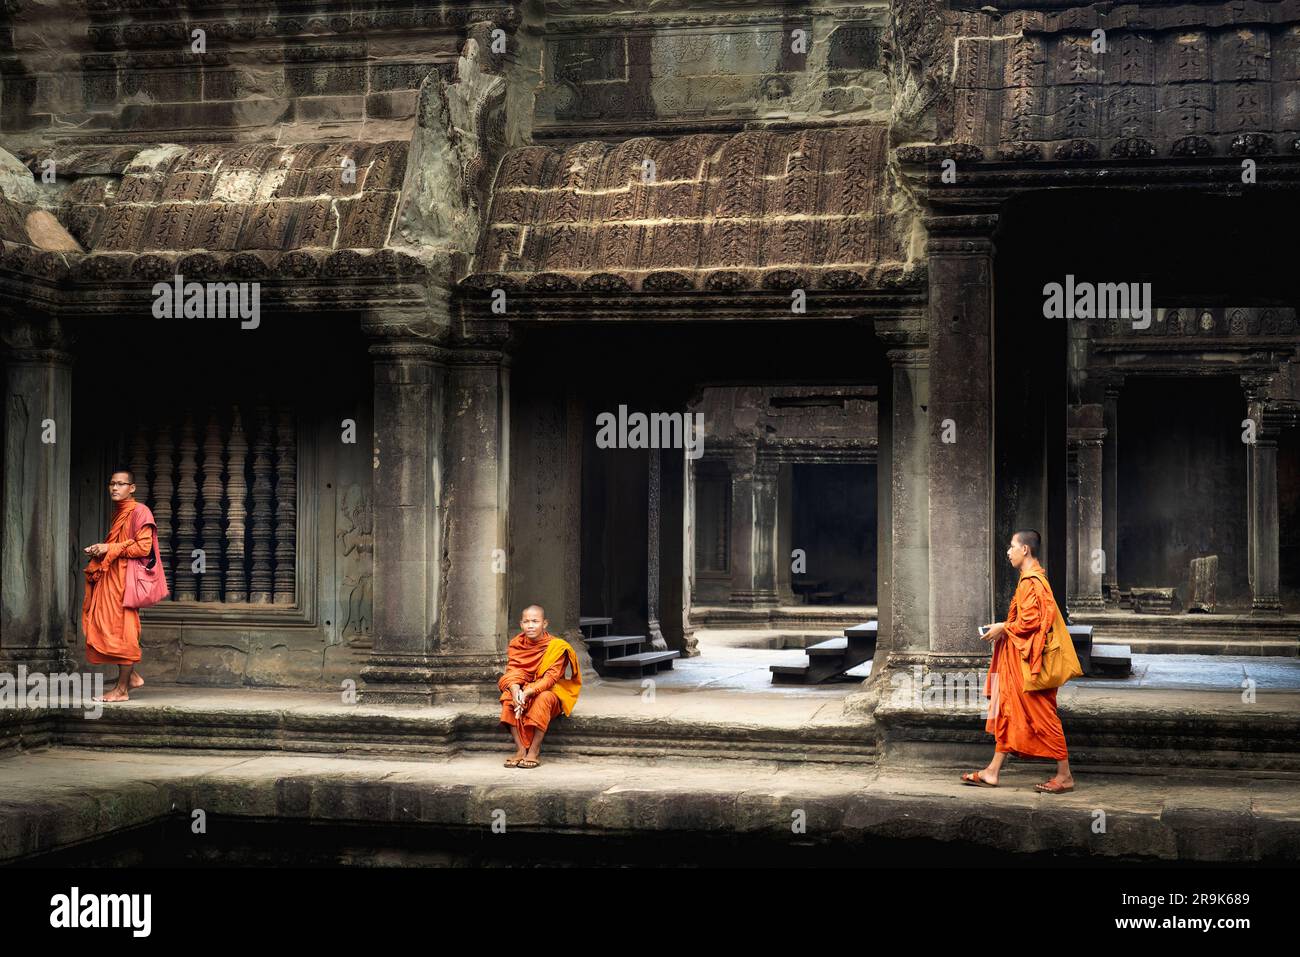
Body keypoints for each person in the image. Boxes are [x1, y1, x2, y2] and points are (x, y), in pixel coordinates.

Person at [962, 529, 1075, 793]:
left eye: (1012, 546)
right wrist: (1004, 627)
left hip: (1030, 665)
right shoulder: (1031, 579)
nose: (1008, 551)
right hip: (1019, 661)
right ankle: (992, 771)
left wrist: (1003, 627)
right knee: (1008, 712)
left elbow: (1032, 622)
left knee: (1043, 716)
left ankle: (1065, 775)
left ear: (1025, 549)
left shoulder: (1031, 582)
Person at [82, 469, 156, 702]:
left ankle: (122, 689)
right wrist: (100, 549)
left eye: (121, 484)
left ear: (132, 488)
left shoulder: (140, 511)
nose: (115, 488)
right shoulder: (120, 513)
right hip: (112, 578)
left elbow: (143, 548)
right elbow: (120, 545)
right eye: (112, 484)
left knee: (123, 632)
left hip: (125, 583)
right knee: (104, 627)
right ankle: (132, 677)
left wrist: (108, 548)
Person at [498, 604, 581, 768]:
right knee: (507, 698)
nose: (530, 625)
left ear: (545, 623)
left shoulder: (557, 647)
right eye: (526, 622)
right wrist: (515, 691)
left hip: (550, 691)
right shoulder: (517, 643)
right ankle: (520, 750)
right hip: (523, 688)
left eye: (535, 621)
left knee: (543, 698)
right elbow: (513, 671)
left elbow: (551, 678)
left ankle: (534, 751)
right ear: (521, 624)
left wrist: (528, 692)